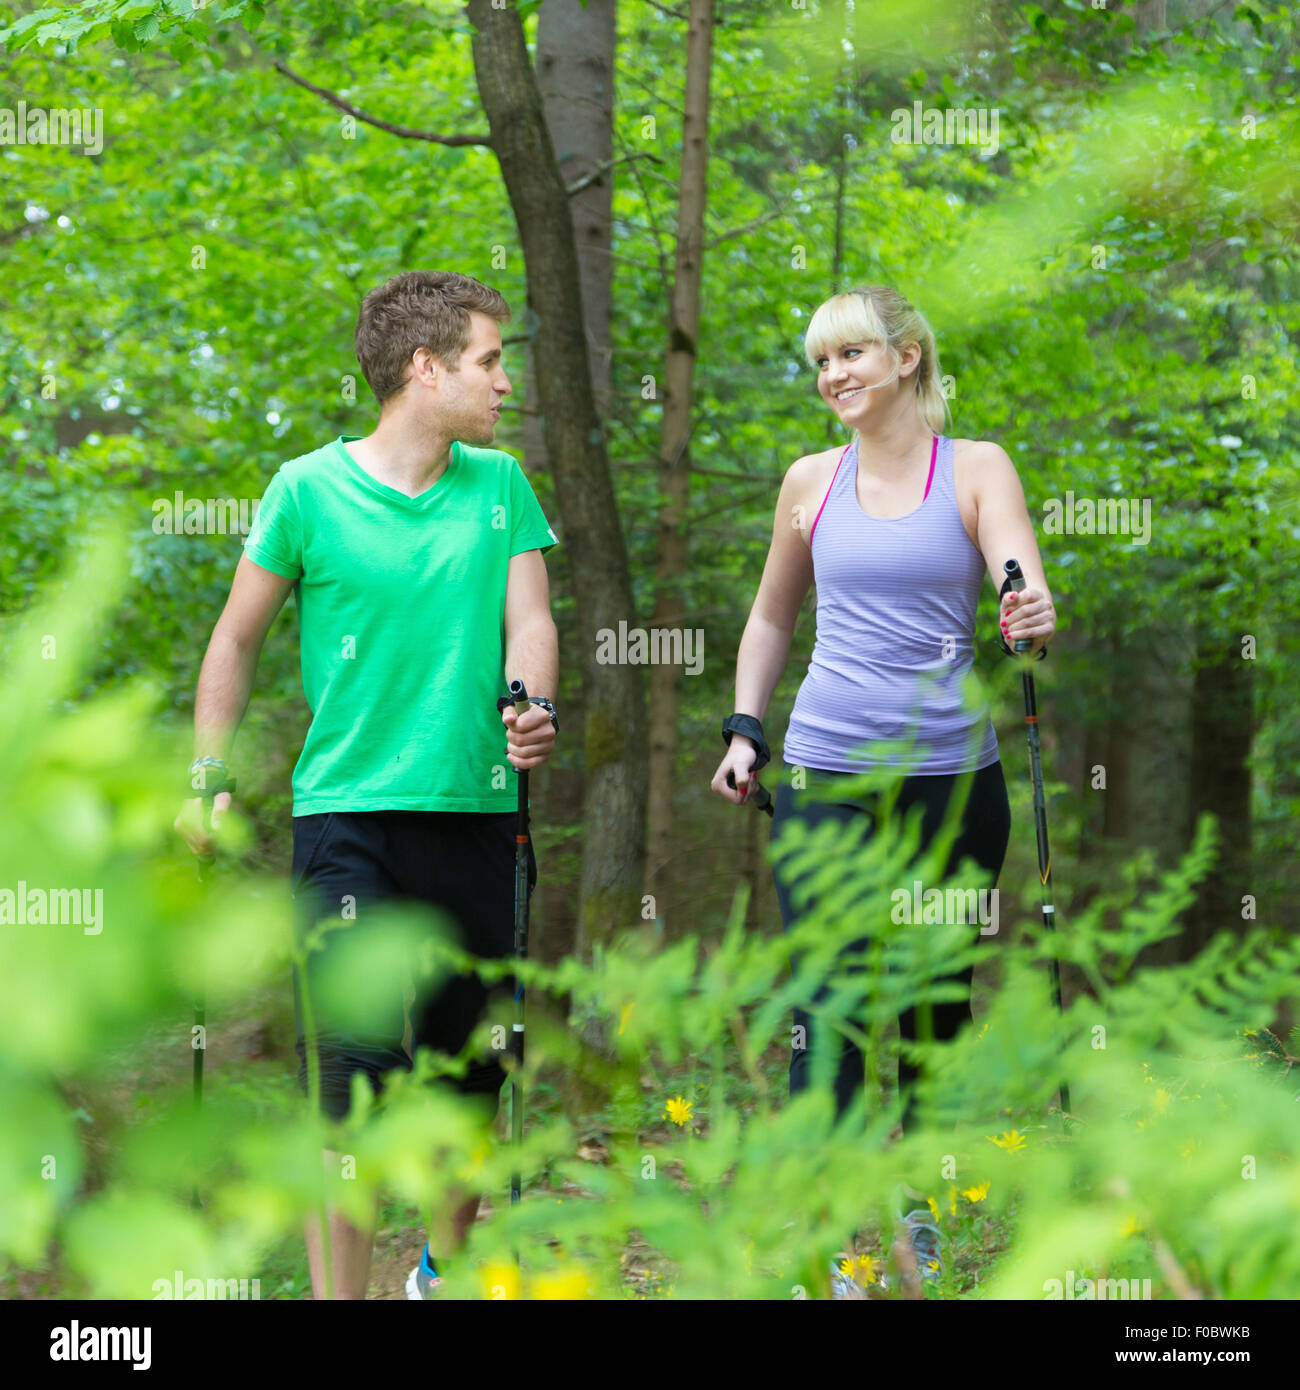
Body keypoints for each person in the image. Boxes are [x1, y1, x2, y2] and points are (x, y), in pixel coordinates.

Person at [175, 270, 560, 1300]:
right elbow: (237, 637)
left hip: (477, 812)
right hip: (346, 818)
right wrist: (207, 778)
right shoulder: (305, 489)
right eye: (488, 359)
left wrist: (533, 701)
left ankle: (437, 1266)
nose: (504, 379)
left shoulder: (499, 486)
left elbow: (530, 618)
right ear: (425, 369)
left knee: (465, 1073)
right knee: (345, 1082)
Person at [710, 285, 1055, 1296]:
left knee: (933, 1006)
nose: (833, 376)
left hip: (952, 784)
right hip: (823, 770)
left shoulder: (976, 466)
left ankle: (918, 1223)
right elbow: (772, 618)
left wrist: (1024, 607)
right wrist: (743, 728)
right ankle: (832, 1240)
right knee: (829, 1000)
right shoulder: (809, 481)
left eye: (852, 354)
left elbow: (1021, 582)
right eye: (821, 361)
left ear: (908, 357)